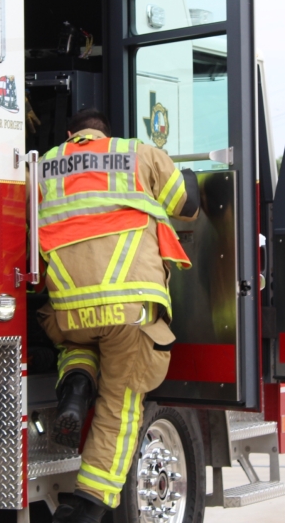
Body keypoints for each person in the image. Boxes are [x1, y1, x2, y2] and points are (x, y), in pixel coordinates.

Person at [36, 108, 200, 523]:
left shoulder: (41, 167)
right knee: (120, 405)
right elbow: (188, 204)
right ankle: (88, 505)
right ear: (107, 134)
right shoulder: (138, 154)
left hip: (70, 308)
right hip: (130, 310)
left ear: (72, 134)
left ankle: (75, 385)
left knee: (77, 340)